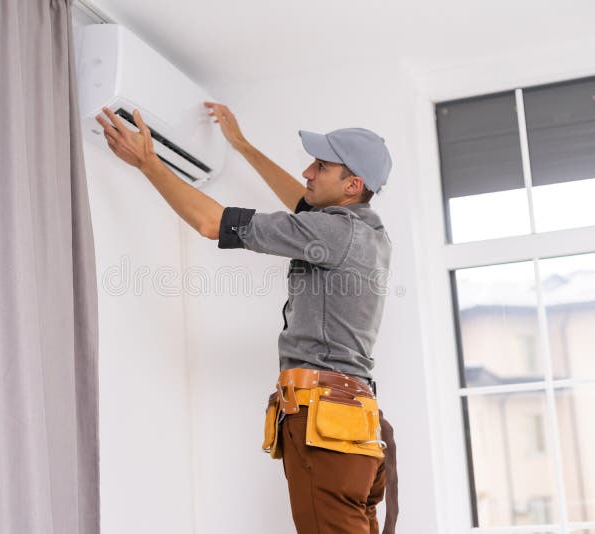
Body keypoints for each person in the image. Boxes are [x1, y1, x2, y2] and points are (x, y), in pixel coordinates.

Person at [95, 102, 398, 534]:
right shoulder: (368, 234)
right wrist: (242, 146)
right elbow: (302, 203)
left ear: (352, 184)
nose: (308, 172)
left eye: (321, 166)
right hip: (354, 433)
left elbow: (210, 222)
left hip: (326, 430)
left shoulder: (335, 233)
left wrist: (148, 161)